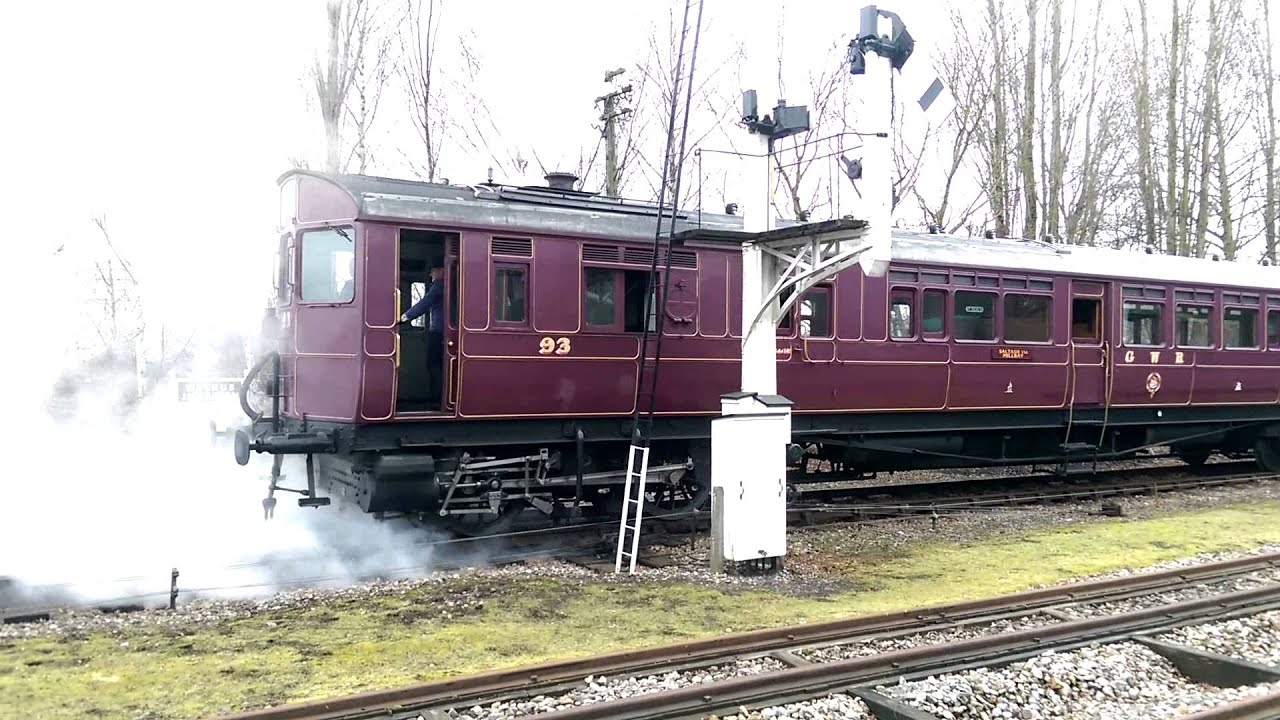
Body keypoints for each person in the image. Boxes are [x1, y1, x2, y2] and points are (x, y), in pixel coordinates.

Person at [401, 266, 444, 408]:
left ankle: (436, 400)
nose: (431, 274)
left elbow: (425, 303)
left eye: (433, 270)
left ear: (441, 271)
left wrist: (405, 316)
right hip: (441, 332)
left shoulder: (439, 286)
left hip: (438, 332)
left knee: (434, 366)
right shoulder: (451, 285)